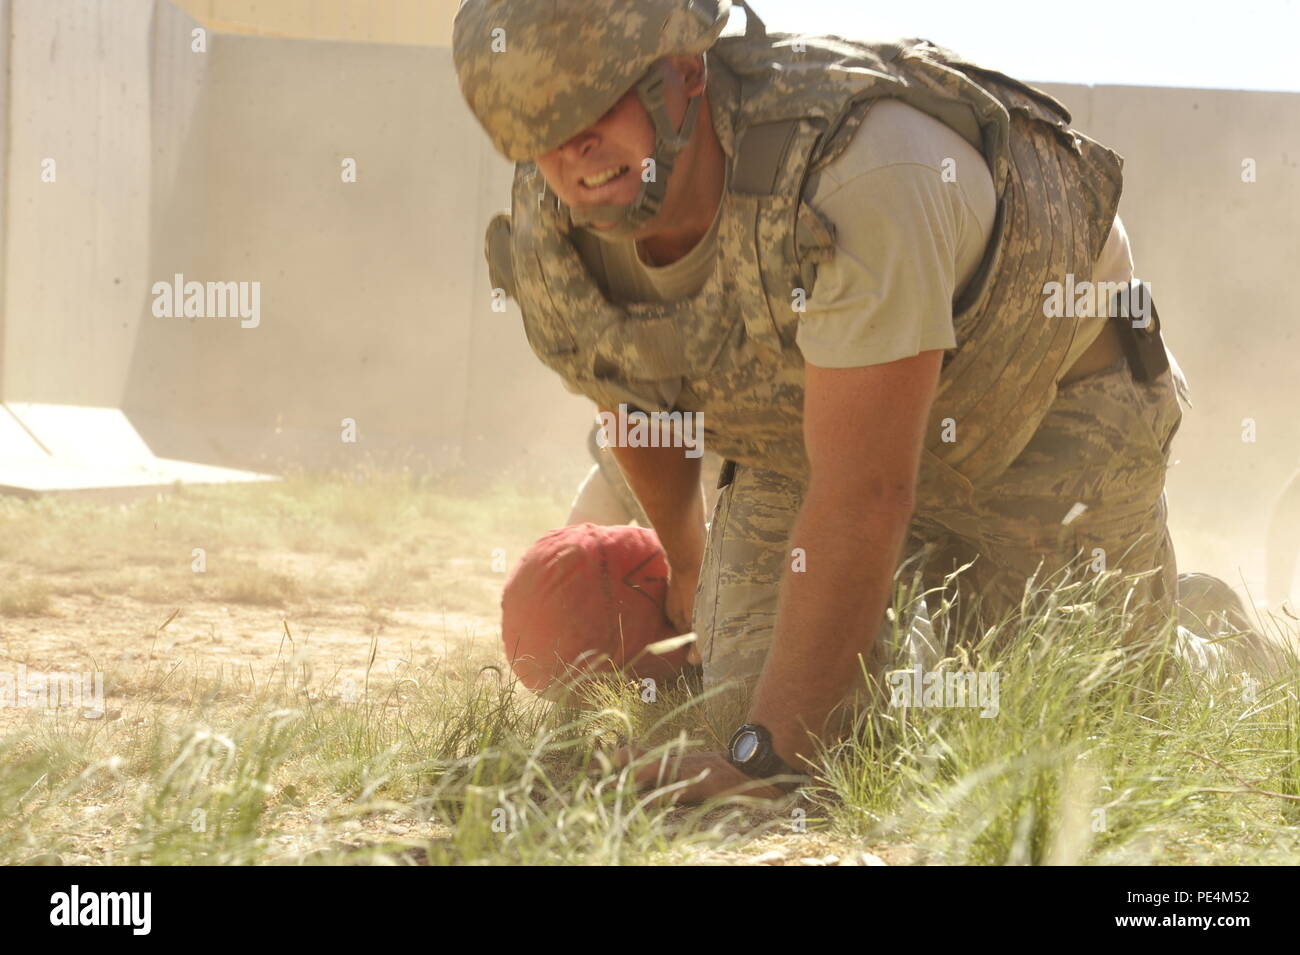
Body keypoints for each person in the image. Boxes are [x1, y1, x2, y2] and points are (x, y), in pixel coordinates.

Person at [454, 0, 1255, 801]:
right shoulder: (563, 217)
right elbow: (636, 392)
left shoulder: (855, 174)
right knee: (747, 710)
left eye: (596, 105)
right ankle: (916, 649)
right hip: (822, 427)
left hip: (1043, 404)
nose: (572, 151)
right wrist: (689, 562)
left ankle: (1206, 639)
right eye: (537, 130)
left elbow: (868, 491)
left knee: (1083, 721)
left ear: (685, 74)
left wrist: (767, 765)